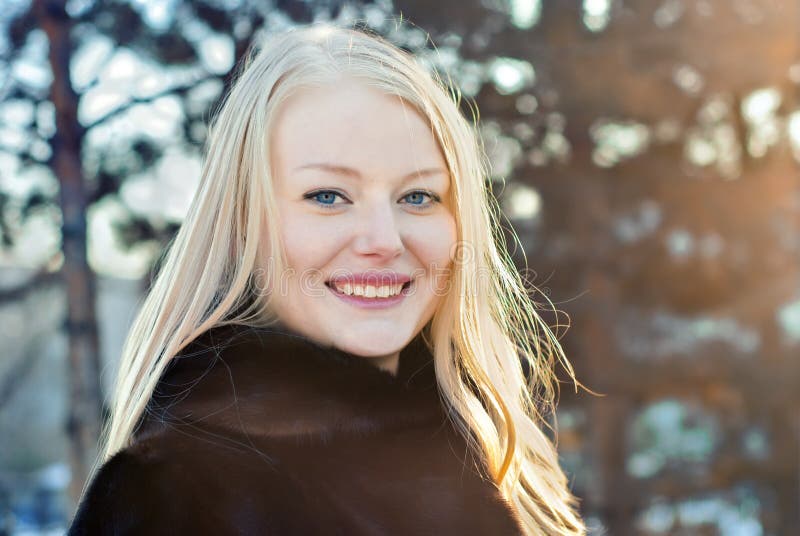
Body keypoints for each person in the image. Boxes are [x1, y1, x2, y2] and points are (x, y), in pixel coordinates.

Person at [67, 23, 586, 535]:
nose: (384, 238)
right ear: (244, 222)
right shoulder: (174, 498)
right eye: (328, 196)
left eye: (417, 196)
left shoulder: (480, 460)